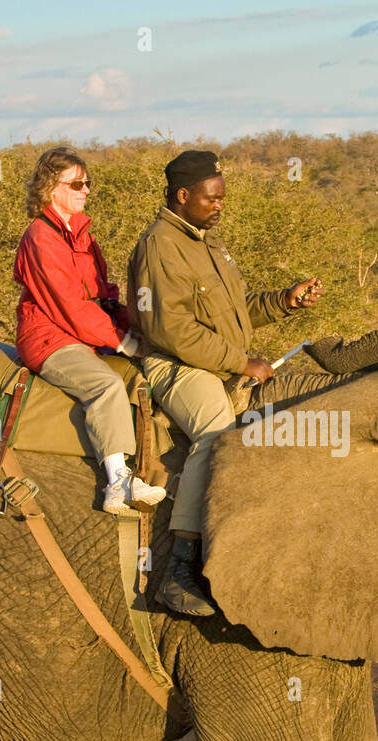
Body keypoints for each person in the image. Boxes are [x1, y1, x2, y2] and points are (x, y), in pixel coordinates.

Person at [128, 149, 323, 615]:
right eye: (212, 199)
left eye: (222, 198)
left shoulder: (207, 244)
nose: (220, 206)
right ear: (183, 196)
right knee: (216, 435)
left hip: (214, 360)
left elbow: (233, 314)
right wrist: (239, 362)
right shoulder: (160, 245)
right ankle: (179, 567)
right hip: (175, 365)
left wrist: (283, 301)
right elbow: (168, 329)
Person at [14, 146, 165, 517]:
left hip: (83, 334)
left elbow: (104, 295)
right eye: (77, 183)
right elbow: (71, 307)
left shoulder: (82, 235)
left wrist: (147, 326)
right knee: (105, 385)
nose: (86, 190)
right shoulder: (40, 237)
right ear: (52, 189)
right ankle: (117, 482)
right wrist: (123, 341)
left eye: (88, 183)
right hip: (50, 338)